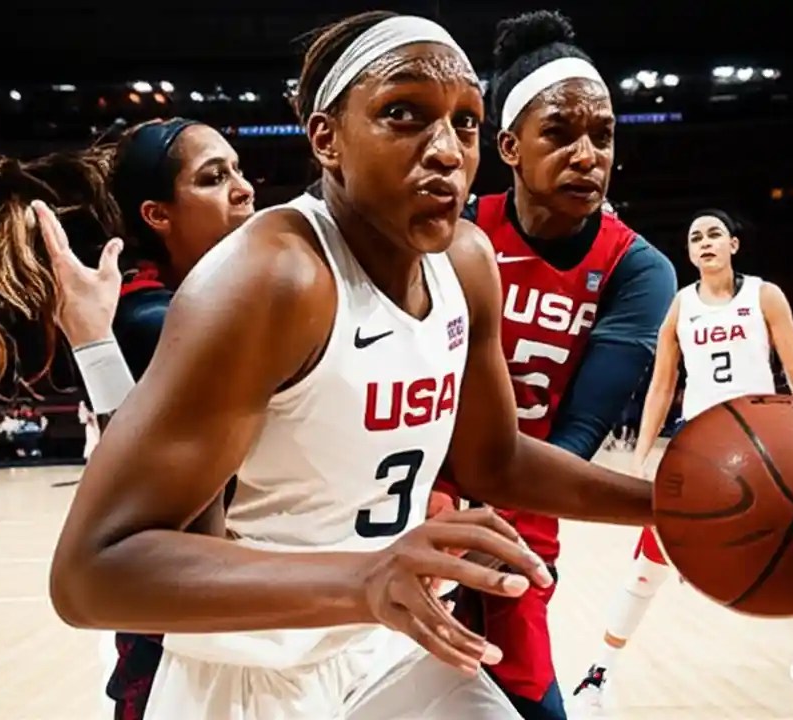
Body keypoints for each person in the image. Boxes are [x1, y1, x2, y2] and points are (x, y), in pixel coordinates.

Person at [47, 11, 664, 719]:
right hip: (256, 675)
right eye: (404, 114)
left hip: (391, 647)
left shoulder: (465, 261)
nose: (445, 151)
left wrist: (666, 506)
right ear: (326, 138)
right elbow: (90, 573)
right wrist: (366, 578)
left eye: (464, 123)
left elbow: (494, 462)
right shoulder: (273, 276)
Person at [0, 117, 255, 719]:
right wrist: (96, 351)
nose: (244, 187)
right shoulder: (157, 317)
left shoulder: (188, 300)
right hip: (193, 628)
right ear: (157, 214)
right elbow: (168, 506)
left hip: (226, 613)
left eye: (237, 169)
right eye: (214, 176)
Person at [432, 11, 676, 719]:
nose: (587, 155)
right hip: (415, 489)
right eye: (560, 134)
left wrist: (494, 516)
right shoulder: (456, 229)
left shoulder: (637, 269)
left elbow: (578, 433)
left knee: (527, 699)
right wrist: (441, 503)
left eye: (602, 135)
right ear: (508, 145)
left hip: (524, 501)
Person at [565, 209, 793, 716]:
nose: (704, 243)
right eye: (695, 237)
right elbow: (662, 384)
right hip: (698, 446)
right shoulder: (680, 306)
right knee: (647, 564)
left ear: (733, 245)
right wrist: (641, 456)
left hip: (761, 444)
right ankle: (598, 673)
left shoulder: (764, 296)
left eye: (713, 235)